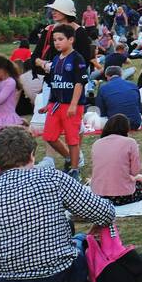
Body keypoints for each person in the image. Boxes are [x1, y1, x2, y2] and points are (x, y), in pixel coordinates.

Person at [0, 125, 116, 282]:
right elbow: (105, 212)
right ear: (31, 154)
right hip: (54, 280)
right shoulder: (52, 178)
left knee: (75, 237)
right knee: (82, 241)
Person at [37, 23, 89, 178]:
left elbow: (79, 83)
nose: (57, 42)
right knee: (49, 136)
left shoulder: (77, 58)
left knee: (72, 138)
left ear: (71, 40)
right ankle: (69, 157)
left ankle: (74, 170)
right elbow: (55, 83)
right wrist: (49, 104)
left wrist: (73, 104)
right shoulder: (55, 59)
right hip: (56, 105)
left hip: (71, 105)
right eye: (55, 40)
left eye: (61, 39)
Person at [90, 114, 142, 205]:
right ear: (126, 128)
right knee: (138, 184)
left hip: (98, 194)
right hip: (123, 194)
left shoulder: (96, 143)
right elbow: (135, 171)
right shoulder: (130, 142)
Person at [94, 66, 142, 130]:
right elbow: (139, 107)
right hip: (135, 123)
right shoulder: (133, 85)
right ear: (121, 74)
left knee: (93, 118)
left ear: (106, 76)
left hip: (114, 125)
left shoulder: (103, 88)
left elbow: (101, 112)